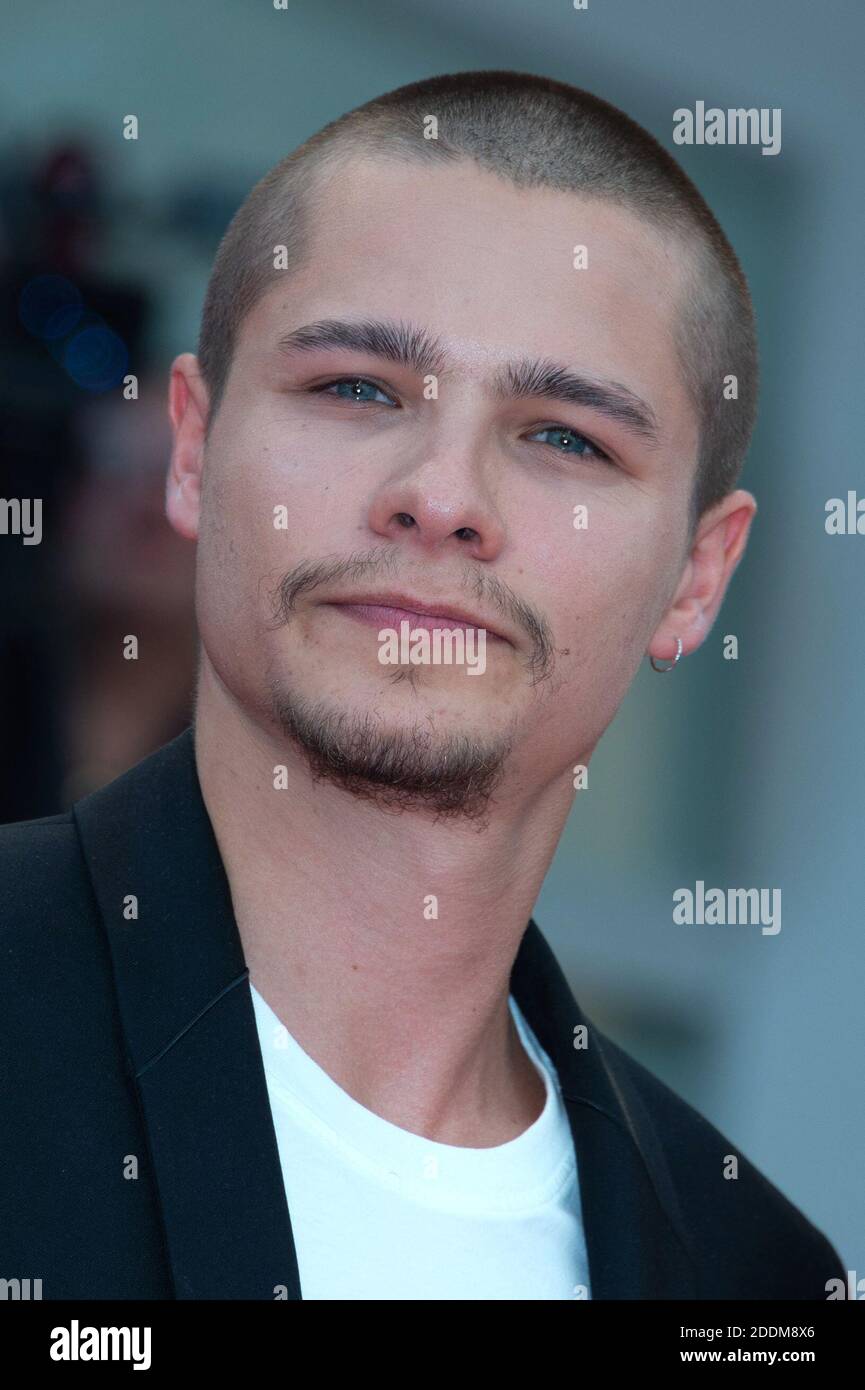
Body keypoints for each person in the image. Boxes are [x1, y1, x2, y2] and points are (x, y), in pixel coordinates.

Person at [0, 71, 845, 1300]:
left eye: (567, 436)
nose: (441, 496)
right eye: (356, 387)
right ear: (193, 446)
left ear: (695, 579)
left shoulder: (753, 1281)